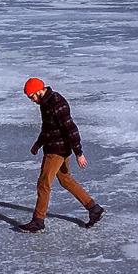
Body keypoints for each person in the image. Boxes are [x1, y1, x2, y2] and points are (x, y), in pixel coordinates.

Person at [18, 77, 103, 232]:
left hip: (56, 151)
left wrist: (79, 153)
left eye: (31, 97)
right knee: (65, 180)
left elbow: (71, 129)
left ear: (38, 91)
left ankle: (38, 220)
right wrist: (38, 144)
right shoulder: (44, 103)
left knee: (43, 184)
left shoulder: (57, 103)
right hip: (53, 147)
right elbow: (47, 127)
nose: (31, 100)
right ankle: (94, 208)